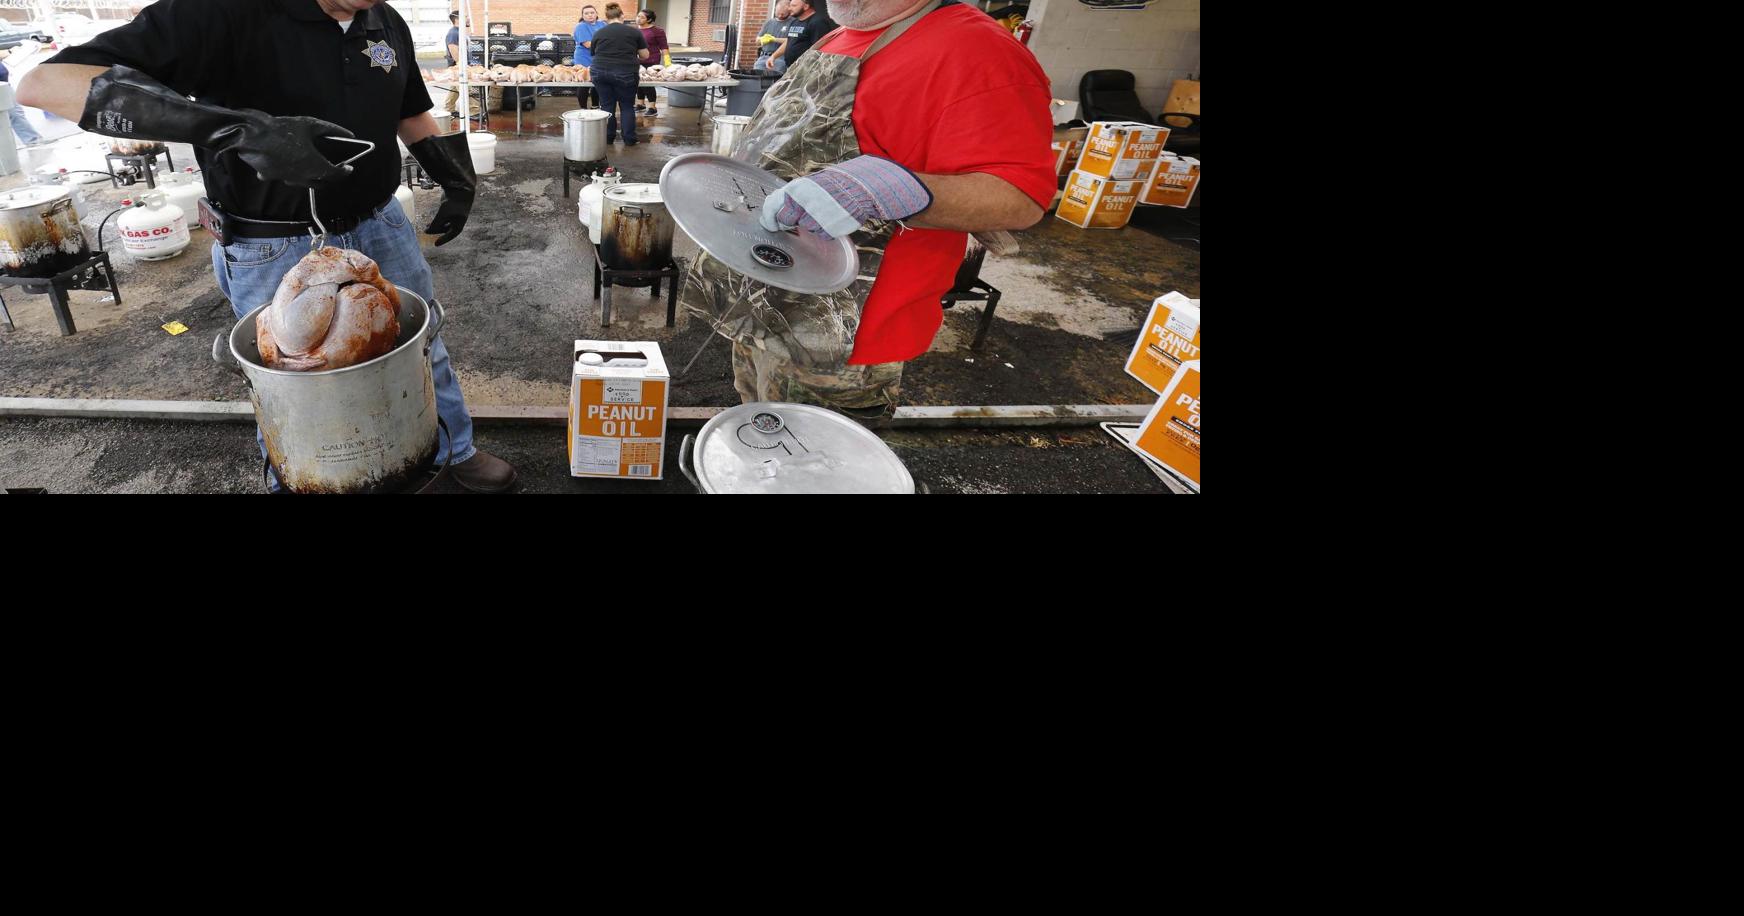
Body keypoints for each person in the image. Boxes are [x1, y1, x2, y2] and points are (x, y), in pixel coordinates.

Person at [19, 0, 518, 493]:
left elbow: (409, 113)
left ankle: (454, 453)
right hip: (271, 242)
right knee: (291, 380)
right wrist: (238, 129)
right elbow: (43, 84)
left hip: (381, 224)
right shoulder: (217, 13)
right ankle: (300, 482)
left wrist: (454, 178)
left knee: (421, 344)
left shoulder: (383, 19)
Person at [681, 0, 1053, 420]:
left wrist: (889, 190)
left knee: (813, 469)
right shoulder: (839, 34)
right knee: (759, 435)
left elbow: (1020, 199)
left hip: (842, 337)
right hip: (762, 303)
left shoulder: (977, 49)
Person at [587, 3, 648, 147]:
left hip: (599, 72)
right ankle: (629, 139)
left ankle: (608, 138)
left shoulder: (599, 33)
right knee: (626, 105)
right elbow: (645, 55)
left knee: (606, 105)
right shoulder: (634, 32)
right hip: (625, 72)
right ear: (622, 16)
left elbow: (594, 53)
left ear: (606, 18)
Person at [767, 0, 833, 71]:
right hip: (791, 67)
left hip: (807, 70)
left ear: (806, 6)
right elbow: (789, 41)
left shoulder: (818, 22)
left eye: (794, 6)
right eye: (790, 5)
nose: (789, 8)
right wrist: (773, 56)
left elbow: (821, 48)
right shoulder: (795, 22)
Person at [1, 47, 44, 147]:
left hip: (4, 85)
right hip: (2, 86)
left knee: (15, 113)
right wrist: (10, 52)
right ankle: (32, 140)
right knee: (13, 114)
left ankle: (33, 140)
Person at [633, 9, 667, 115]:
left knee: (648, 83)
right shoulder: (635, 30)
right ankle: (641, 104)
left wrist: (668, 63)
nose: (638, 18)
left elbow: (664, 48)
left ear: (650, 19)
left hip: (652, 61)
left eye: (642, 17)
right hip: (637, 60)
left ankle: (652, 107)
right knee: (639, 82)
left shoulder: (657, 31)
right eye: (638, 16)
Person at [572, 4, 604, 109]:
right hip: (584, 58)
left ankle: (595, 106)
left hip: (598, 58)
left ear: (596, 14)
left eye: (592, 12)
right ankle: (583, 108)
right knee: (583, 83)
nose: (590, 15)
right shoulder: (581, 26)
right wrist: (606, 45)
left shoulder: (603, 24)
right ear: (583, 15)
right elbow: (588, 44)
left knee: (597, 83)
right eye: (586, 13)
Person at [753, 1, 794, 74]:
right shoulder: (769, 22)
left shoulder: (793, 23)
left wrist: (774, 39)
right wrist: (762, 39)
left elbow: (790, 40)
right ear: (775, 10)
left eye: (783, 14)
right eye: (778, 13)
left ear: (789, 11)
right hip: (763, 56)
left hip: (780, 59)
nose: (780, 15)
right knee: (757, 76)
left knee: (774, 80)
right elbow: (757, 41)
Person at [441, 11, 461, 118]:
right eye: (465, 17)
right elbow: (453, 49)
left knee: (455, 88)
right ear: (457, 19)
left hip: (457, 66)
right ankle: (474, 111)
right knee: (467, 89)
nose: (467, 19)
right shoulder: (453, 33)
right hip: (457, 66)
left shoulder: (458, 32)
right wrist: (460, 64)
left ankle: (449, 109)